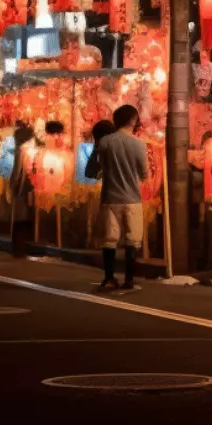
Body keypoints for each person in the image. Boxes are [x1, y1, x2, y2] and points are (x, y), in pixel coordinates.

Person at [87, 105, 149, 290]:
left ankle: (109, 278)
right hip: (132, 199)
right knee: (132, 240)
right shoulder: (138, 144)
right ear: (132, 120)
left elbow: (94, 169)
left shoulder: (105, 142)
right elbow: (144, 174)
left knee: (109, 240)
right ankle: (129, 281)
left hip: (110, 198)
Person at [7, 126, 36, 258]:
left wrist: (12, 186)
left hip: (21, 188)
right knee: (25, 218)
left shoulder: (21, 150)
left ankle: (17, 247)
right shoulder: (31, 150)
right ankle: (21, 246)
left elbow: (17, 171)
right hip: (29, 186)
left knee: (19, 218)